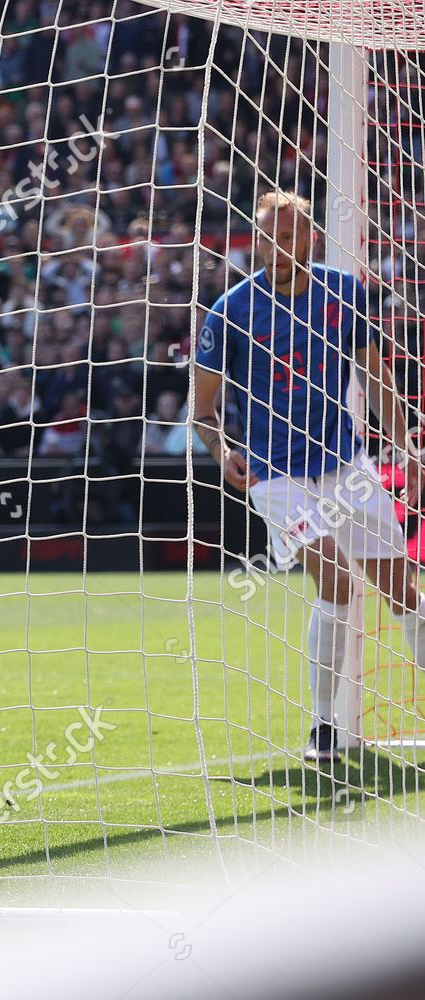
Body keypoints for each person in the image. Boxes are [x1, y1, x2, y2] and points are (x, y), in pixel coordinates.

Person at [192, 190, 424, 765]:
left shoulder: (344, 294)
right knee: (338, 584)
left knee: (403, 593)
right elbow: (200, 410)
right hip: (277, 476)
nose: (275, 248)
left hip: (347, 467)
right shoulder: (231, 311)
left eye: (288, 236)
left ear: (310, 238)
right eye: (265, 237)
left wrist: (405, 448)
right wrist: (223, 452)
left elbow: (376, 379)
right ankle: (323, 727)